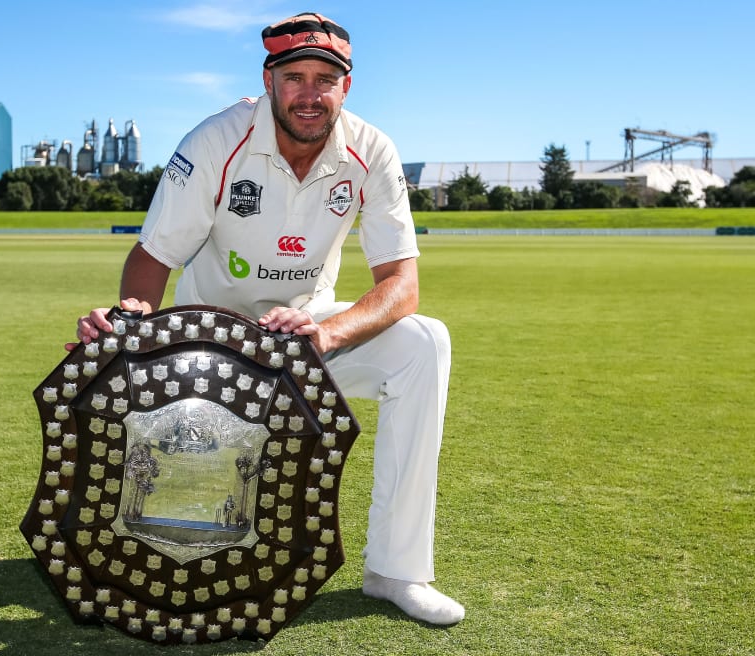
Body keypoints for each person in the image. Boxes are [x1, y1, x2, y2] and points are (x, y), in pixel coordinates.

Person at [72, 12, 464, 626]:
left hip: (302, 337)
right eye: (294, 77)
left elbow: (402, 285)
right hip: (208, 343)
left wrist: (326, 333)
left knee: (424, 342)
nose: (309, 94)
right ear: (269, 81)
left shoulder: (372, 150)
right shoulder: (213, 139)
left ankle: (396, 570)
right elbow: (153, 256)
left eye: (324, 79)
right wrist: (127, 323)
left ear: (346, 87)